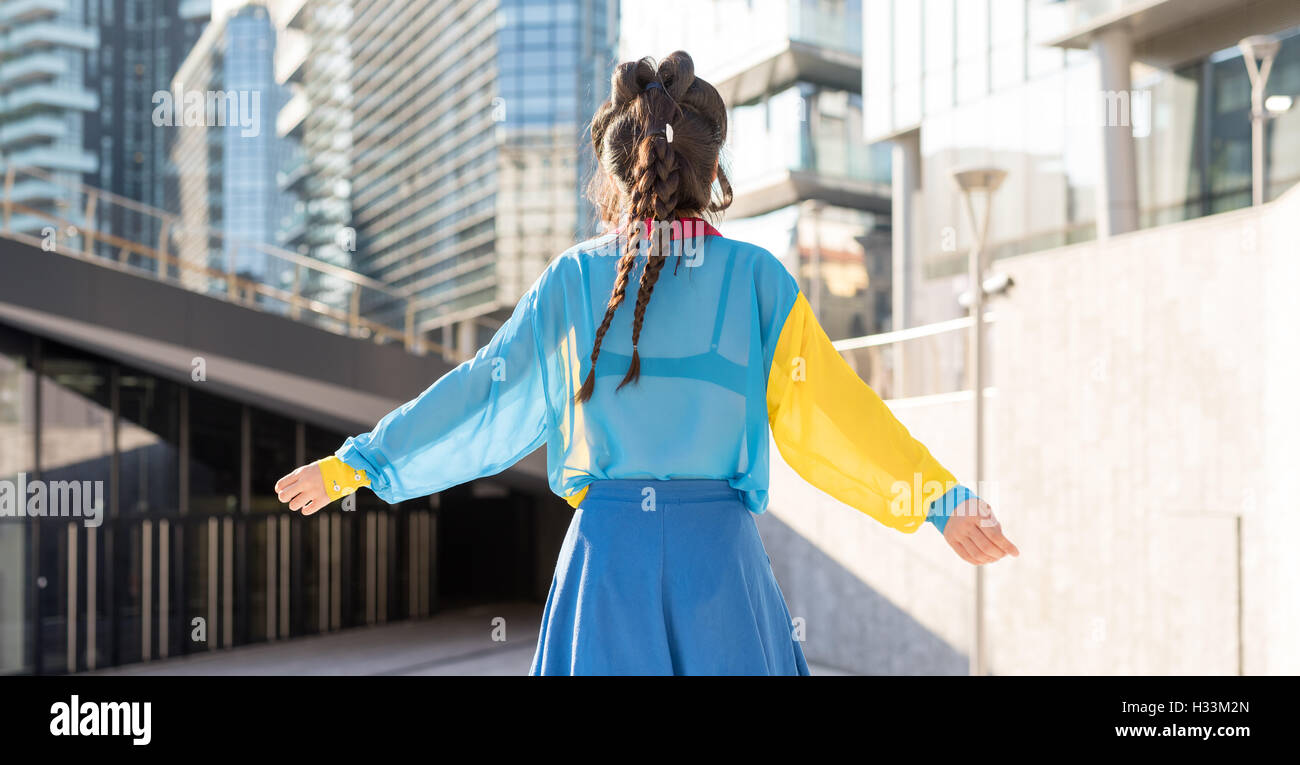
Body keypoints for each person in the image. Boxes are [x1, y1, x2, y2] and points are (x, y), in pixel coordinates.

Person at [275, 51, 1018, 675]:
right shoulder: (758, 280)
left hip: (606, 571)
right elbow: (837, 414)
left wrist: (359, 463)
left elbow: (482, 395)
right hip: (721, 572)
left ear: (616, 169)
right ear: (712, 167)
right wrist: (939, 500)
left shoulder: (572, 280)